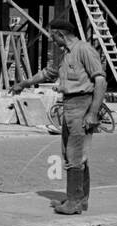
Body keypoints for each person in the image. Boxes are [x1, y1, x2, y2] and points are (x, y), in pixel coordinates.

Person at [9, 18, 107, 215]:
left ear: (61, 34)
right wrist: (24, 84)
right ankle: (79, 199)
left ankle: (73, 202)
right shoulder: (65, 54)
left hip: (82, 105)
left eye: (53, 36)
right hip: (70, 106)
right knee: (73, 155)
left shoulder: (84, 50)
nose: (52, 40)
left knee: (74, 156)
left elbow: (100, 80)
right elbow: (48, 73)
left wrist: (93, 113)